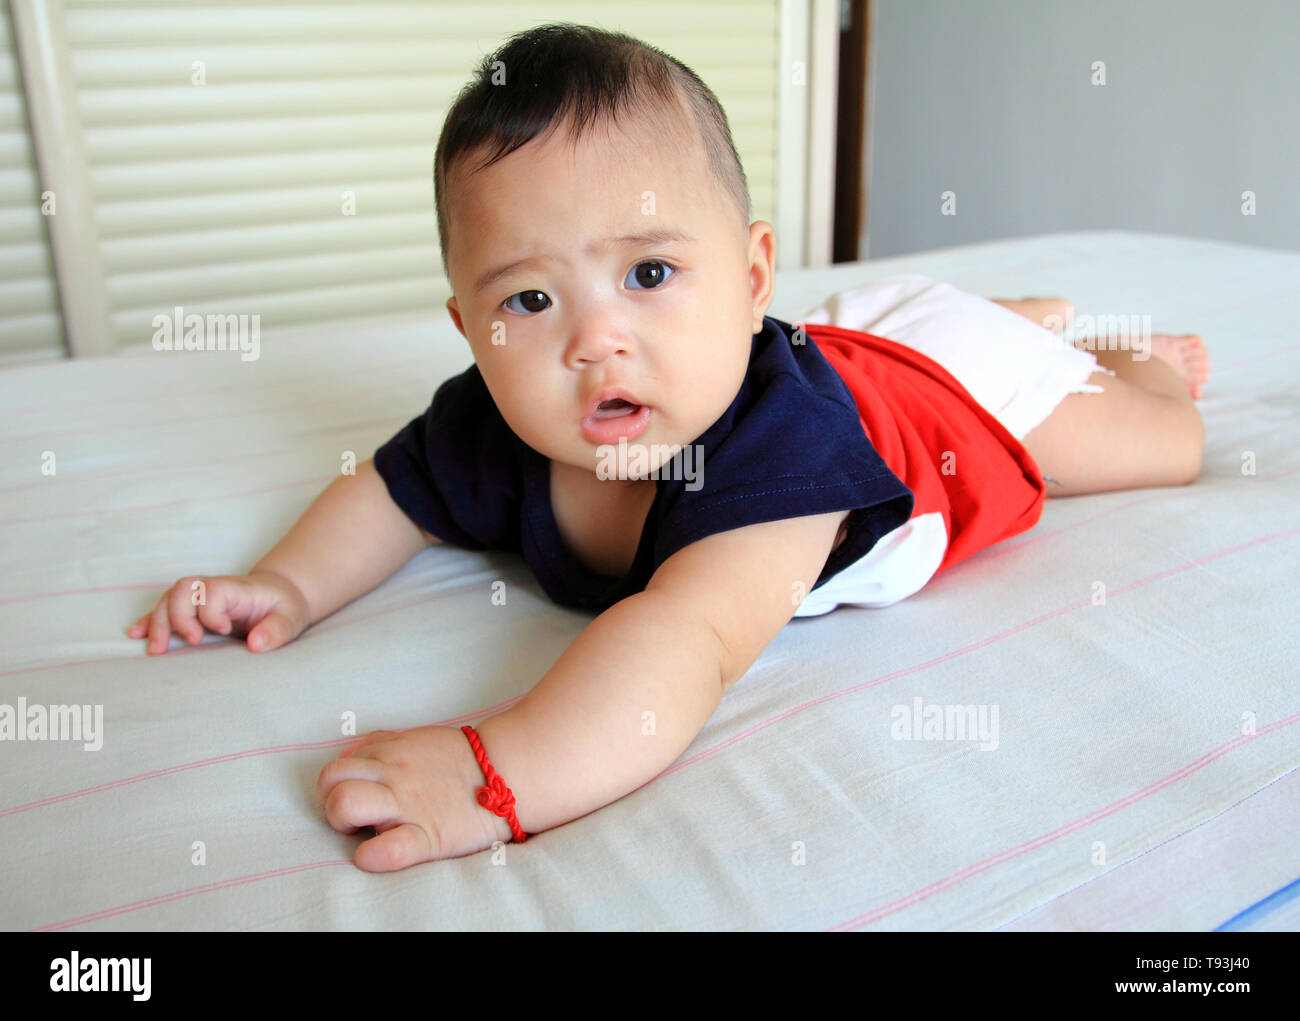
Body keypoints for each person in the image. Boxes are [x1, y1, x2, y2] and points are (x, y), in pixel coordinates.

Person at [126, 23, 1210, 872]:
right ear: (469, 327)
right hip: (846, 346)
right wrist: (286, 582)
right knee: (880, 335)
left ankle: (1109, 349)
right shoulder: (494, 421)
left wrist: (491, 773)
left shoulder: (781, 452)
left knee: (1164, 444)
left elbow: (682, 642)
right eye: (531, 299)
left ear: (749, 277)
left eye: (649, 274)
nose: (596, 340)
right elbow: (388, 492)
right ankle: (1003, 312)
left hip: (942, 399)